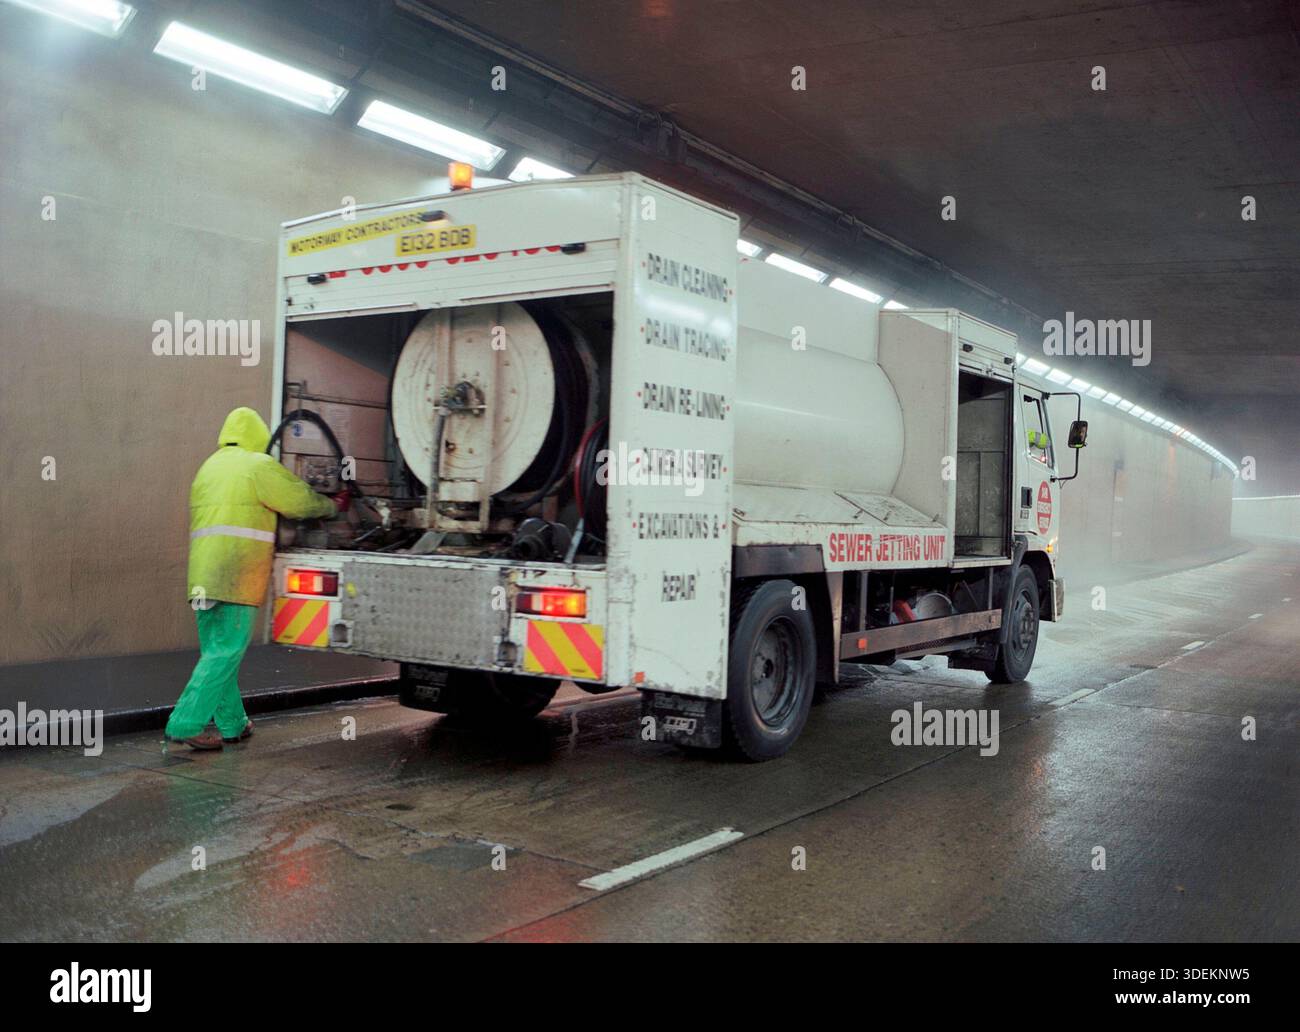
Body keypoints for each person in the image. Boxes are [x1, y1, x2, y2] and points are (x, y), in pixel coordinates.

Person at [166, 407, 348, 750]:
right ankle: (186, 723)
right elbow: (298, 502)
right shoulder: (256, 466)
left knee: (218, 653)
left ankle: (233, 723)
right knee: (225, 653)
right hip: (235, 576)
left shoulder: (208, 467)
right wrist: (333, 506)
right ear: (257, 436)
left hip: (202, 576)